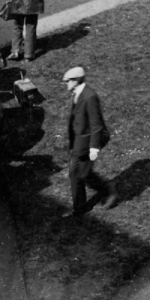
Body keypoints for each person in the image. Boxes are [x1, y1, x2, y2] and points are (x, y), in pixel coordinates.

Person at [63, 65, 117, 217]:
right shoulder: (77, 94)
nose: (66, 84)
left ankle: (108, 189)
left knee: (84, 174)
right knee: (75, 174)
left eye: (68, 81)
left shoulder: (89, 96)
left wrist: (94, 148)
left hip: (87, 143)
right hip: (79, 142)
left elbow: (96, 125)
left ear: (76, 81)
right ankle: (79, 208)